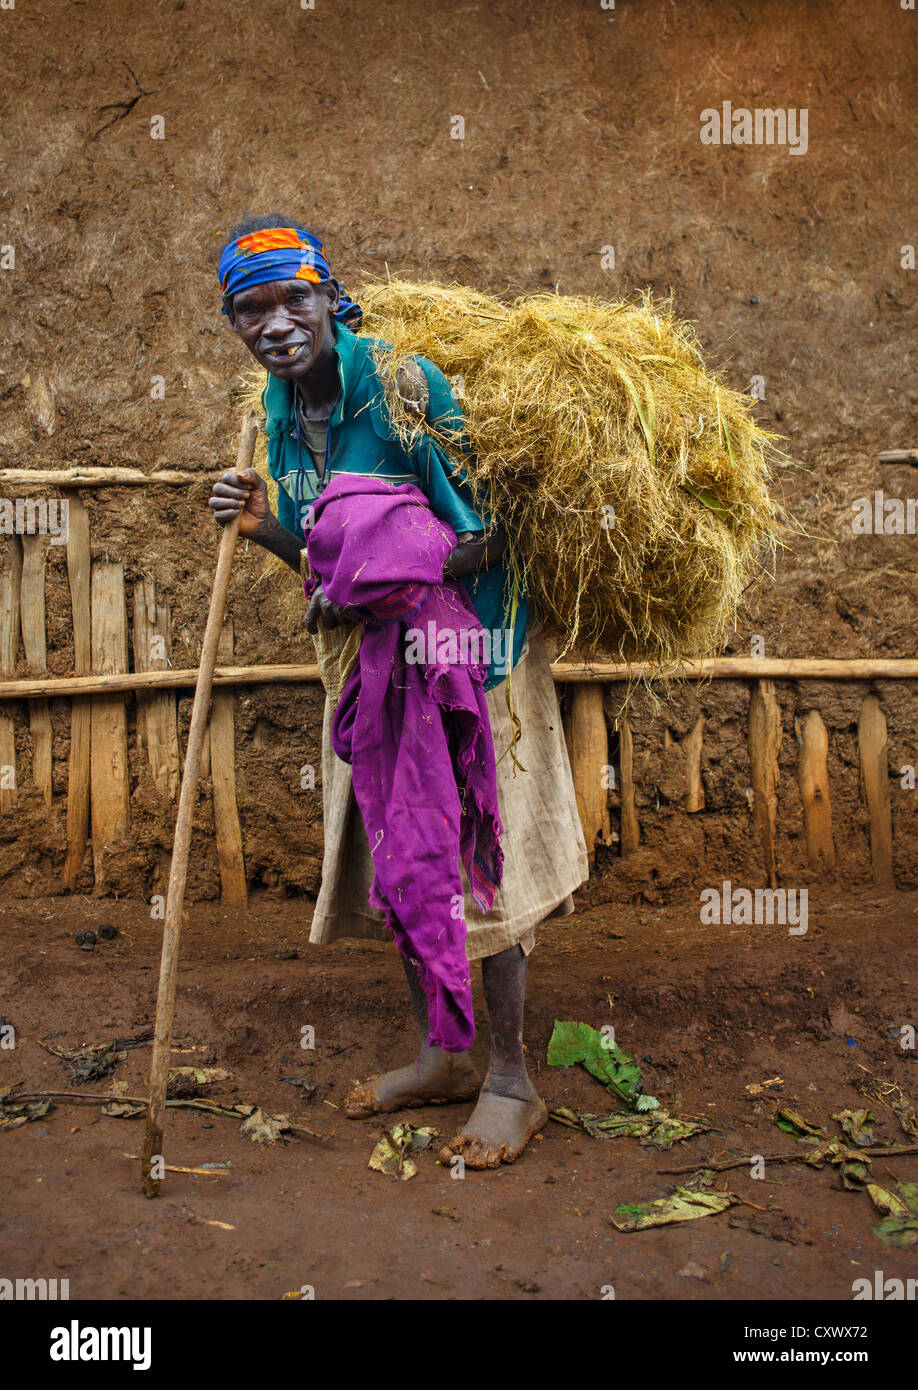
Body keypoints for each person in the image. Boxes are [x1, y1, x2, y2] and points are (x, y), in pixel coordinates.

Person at [209, 215, 589, 1167]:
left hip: (470, 665)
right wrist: (265, 528)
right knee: (402, 857)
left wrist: (391, 563)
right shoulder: (277, 414)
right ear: (235, 325)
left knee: (471, 869)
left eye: (293, 298)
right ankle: (445, 1056)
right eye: (250, 309)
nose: (277, 323)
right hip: (372, 672)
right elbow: (327, 564)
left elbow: (501, 529)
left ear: (329, 295)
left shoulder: (407, 387)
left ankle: (511, 1081)